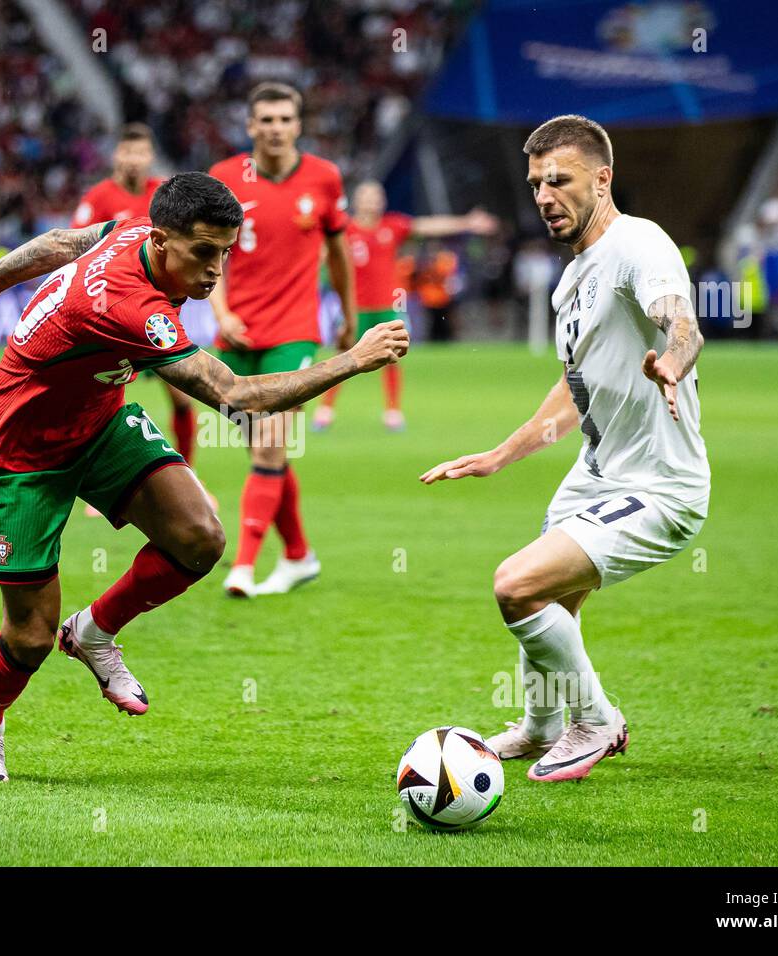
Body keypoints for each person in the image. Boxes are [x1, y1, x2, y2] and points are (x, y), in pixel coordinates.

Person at [0, 172, 408, 783]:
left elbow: (56, 241)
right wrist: (352, 361)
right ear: (162, 241)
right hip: (19, 453)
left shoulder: (132, 230)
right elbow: (237, 394)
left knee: (199, 538)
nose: (216, 271)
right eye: (204, 253)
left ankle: (95, 632)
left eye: (225, 252)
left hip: (98, 424)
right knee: (28, 638)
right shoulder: (130, 308)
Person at [421, 114, 708, 782]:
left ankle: (597, 720)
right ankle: (542, 724)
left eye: (560, 180)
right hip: (596, 474)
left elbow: (680, 317)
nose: (545, 195)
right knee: (554, 599)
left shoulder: (639, 244)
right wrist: (500, 454)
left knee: (515, 585)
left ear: (601, 179)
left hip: (660, 486)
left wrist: (674, 358)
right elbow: (572, 389)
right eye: (535, 183)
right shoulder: (572, 277)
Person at [208, 82, 356, 597]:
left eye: (284, 119)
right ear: (250, 126)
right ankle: (298, 555)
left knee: (270, 443)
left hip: (295, 332)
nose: (275, 128)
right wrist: (221, 312)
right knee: (266, 450)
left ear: (299, 124)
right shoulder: (224, 180)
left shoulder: (324, 178)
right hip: (238, 333)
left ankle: (243, 568)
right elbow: (212, 255)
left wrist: (348, 315)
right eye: (265, 119)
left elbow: (338, 252)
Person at [71, 124, 209, 497]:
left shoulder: (163, 197)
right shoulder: (98, 198)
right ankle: (96, 484)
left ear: (150, 157)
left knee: (182, 398)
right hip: (112, 324)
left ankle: (187, 481)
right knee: (101, 400)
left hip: (159, 322)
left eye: (141, 153)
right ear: (116, 156)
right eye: (127, 152)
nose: (134, 160)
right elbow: (78, 256)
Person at [313, 180, 497, 432]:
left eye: (377, 196)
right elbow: (319, 256)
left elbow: (428, 225)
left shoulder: (393, 226)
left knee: (392, 358)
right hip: (354, 308)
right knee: (343, 358)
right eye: (368, 196)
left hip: (387, 307)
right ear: (357, 201)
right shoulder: (344, 230)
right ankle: (325, 410)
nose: (373, 201)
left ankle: (392, 411)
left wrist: (466, 222)